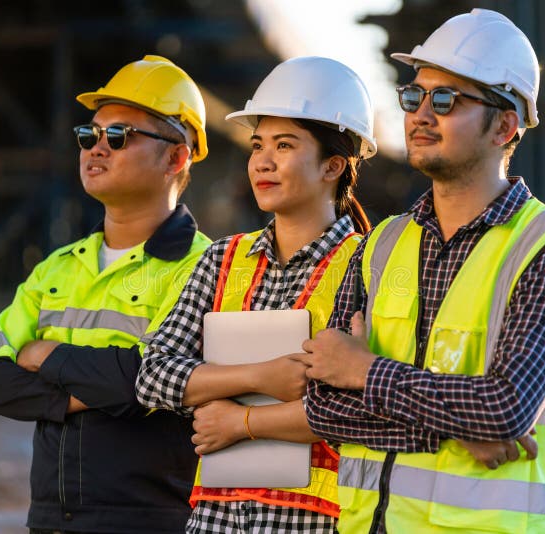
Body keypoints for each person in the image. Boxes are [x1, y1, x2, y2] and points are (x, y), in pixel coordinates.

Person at [299, 9, 545, 534]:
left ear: (505, 125)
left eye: (446, 100)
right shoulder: (381, 244)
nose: (421, 114)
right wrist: (454, 425)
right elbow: (323, 407)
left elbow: (507, 407)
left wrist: (365, 373)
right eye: (414, 96)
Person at [134, 56, 375, 533]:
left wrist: (233, 418)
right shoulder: (223, 260)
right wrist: (263, 376)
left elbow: (359, 406)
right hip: (217, 521)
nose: (262, 161)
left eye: (285, 145)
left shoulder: (370, 265)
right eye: (258, 145)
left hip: (315, 522)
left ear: (333, 165)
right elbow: (152, 375)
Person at [0, 55, 212, 534]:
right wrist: (103, 385)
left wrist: (48, 354)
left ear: (176, 157)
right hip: (50, 521)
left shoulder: (207, 266)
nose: (96, 149)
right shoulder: (55, 267)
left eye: (118, 136)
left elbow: (145, 381)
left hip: (152, 521)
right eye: (90, 135)